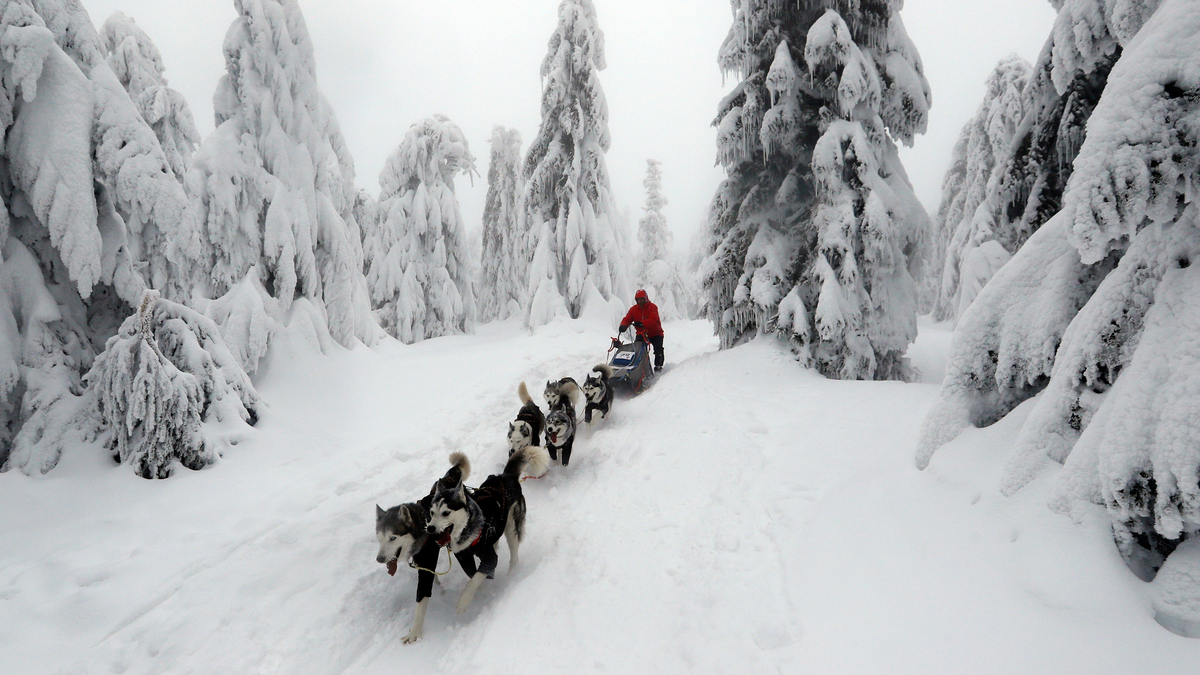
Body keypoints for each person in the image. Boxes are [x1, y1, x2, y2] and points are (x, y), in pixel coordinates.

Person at [618, 289, 664, 372]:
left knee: (658, 349)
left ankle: (658, 366)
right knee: (637, 350)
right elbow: (627, 318)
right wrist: (623, 325)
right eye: (638, 299)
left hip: (655, 333)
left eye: (642, 299)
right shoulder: (633, 310)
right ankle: (638, 368)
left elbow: (653, 320)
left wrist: (642, 323)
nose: (640, 301)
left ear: (646, 298)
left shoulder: (653, 307)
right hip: (641, 333)